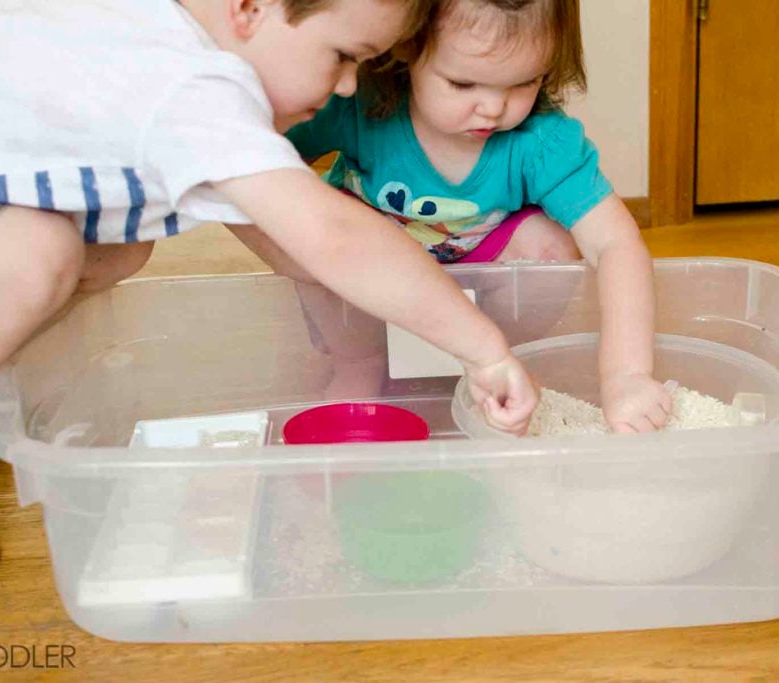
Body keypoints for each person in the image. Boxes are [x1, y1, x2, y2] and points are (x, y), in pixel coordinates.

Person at [0, 0, 538, 589]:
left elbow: (284, 237)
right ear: (252, 9)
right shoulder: (192, 84)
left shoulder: (167, 37)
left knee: (119, 246)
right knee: (36, 259)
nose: (347, 85)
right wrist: (481, 345)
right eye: (341, 55)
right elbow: (331, 236)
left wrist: (370, 300)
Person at [237, 0, 671, 431]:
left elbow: (617, 244)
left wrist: (627, 375)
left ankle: (504, 359)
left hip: (479, 269)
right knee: (317, 231)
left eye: (525, 83)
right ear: (405, 51)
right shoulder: (360, 104)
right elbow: (263, 160)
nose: (493, 109)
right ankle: (358, 359)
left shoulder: (543, 141)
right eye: (463, 84)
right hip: (370, 270)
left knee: (550, 243)